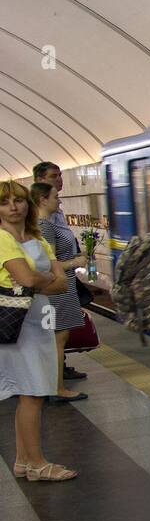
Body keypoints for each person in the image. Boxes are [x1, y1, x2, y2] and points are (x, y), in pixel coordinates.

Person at [0, 180, 78, 481]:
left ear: (28, 204)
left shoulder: (36, 237)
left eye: (18, 201)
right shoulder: (2, 238)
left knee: (30, 391)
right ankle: (37, 463)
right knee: (32, 393)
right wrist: (41, 278)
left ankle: (23, 460)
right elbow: (29, 278)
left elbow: (61, 283)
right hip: (16, 323)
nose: (13, 207)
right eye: (4, 202)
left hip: (39, 319)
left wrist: (36, 279)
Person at [31, 173, 88, 403]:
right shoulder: (44, 226)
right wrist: (76, 262)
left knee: (56, 338)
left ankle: (52, 386)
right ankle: (57, 388)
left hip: (61, 287)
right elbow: (48, 264)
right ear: (43, 200)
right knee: (58, 337)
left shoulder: (45, 224)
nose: (60, 200)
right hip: (56, 290)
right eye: (55, 197)